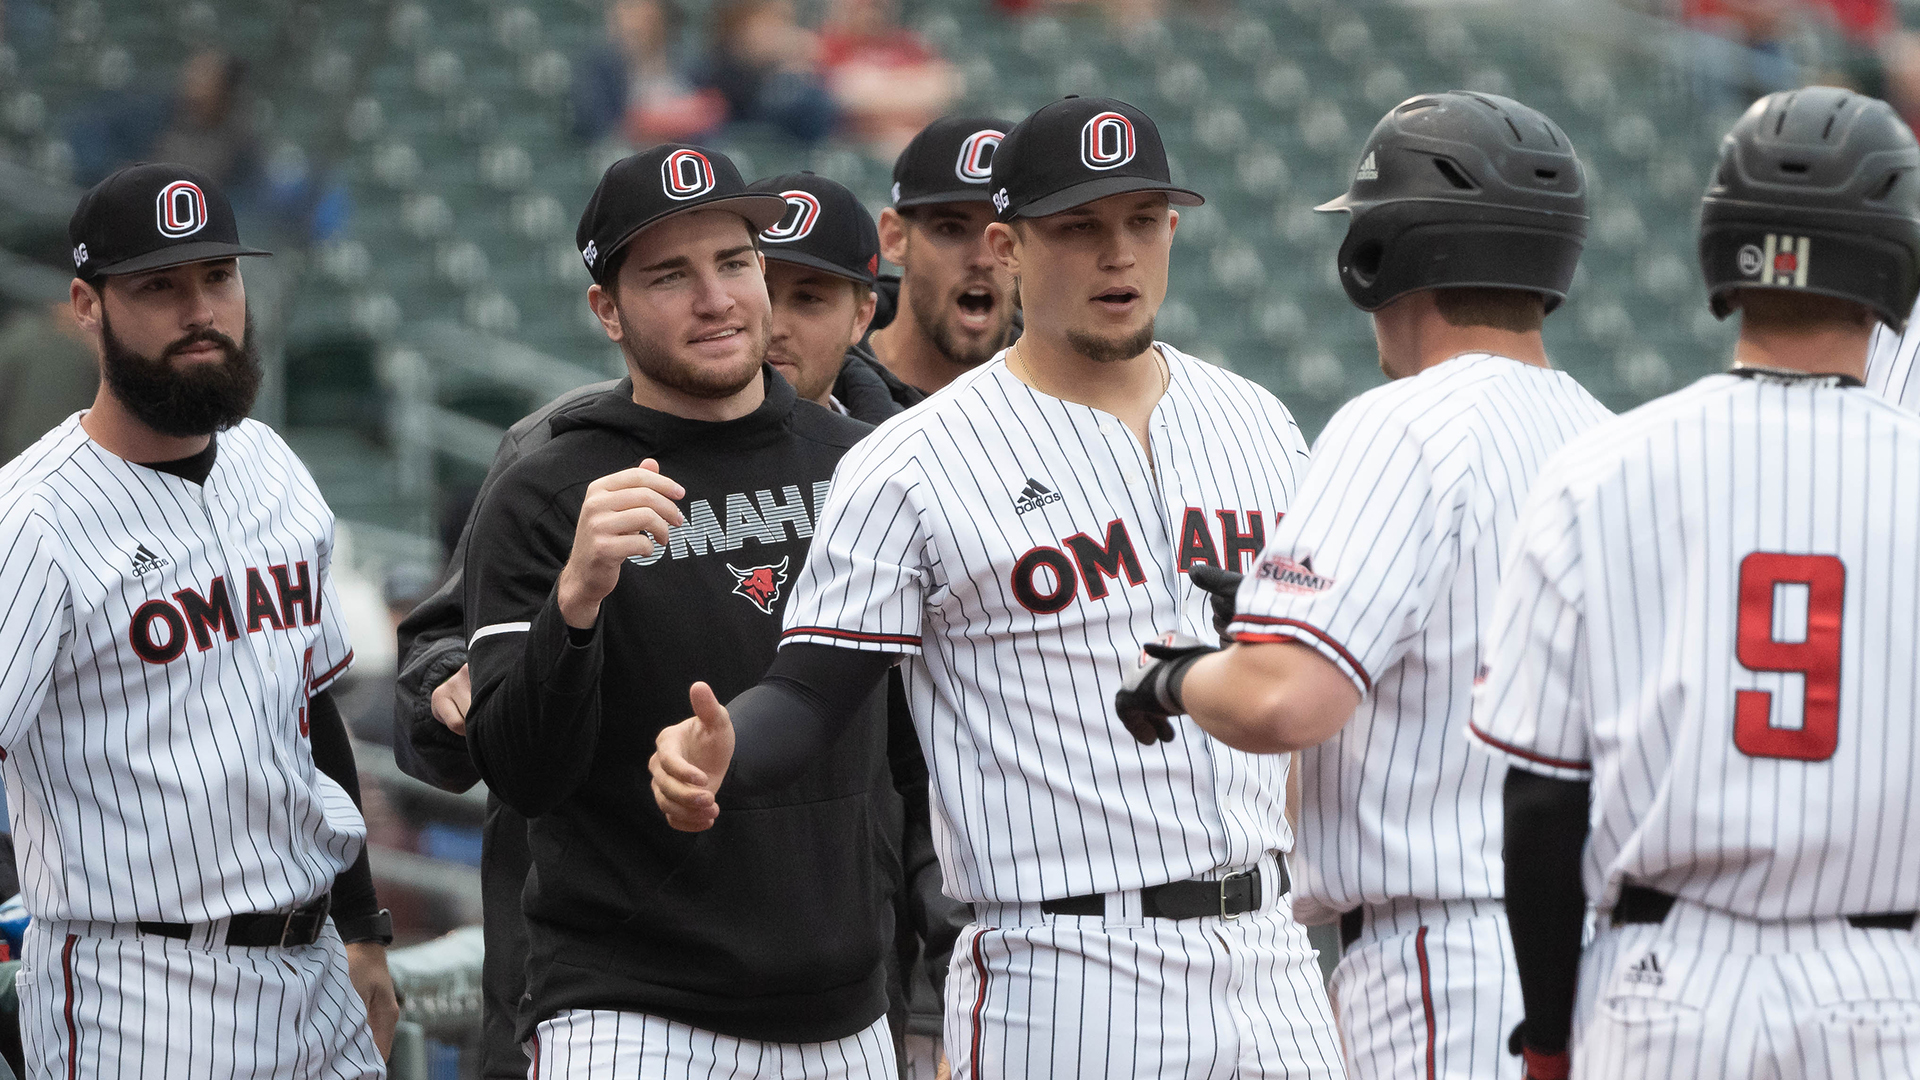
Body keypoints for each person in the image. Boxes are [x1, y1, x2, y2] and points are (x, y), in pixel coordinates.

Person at [652, 96, 1346, 1079]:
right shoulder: (913, 460)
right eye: (1078, 228)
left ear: (1174, 232)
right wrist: (723, 748)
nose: (1118, 254)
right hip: (1063, 967)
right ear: (1007, 246)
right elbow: (811, 697)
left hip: (1271, 952)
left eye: (1141, 223)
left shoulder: (1257, 423)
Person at [390, 162, 938, 1080]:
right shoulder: (548, 485)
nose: (716, 299)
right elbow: (523, 774)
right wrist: (573, 603)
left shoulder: (866, 466)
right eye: (669, 275)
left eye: (735, 261)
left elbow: (917, 751)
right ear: (607, 309)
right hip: (631, 1012)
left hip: (844, 1008)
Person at [1110, 92, 1612, 1080]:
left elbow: (1285, 700)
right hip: (1595, 960)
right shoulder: (1609, 436)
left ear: (1384, 253)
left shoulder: (1403, 423)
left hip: (1452, 963)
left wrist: (1181, 679)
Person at [1472, 86, 1920, 1079]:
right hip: (1885, 984)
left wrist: (1547, 1037)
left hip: (1666, 984)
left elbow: (1542, 805)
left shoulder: (1602, 468)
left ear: (1721, 248)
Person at [0, 163, 395, 1076]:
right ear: (87, 305)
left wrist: (364, 924)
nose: (200, 309)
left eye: (217, 276)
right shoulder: (32, 519)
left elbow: (313, 713)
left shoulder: (271, 464)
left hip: (318, 973)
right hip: (139, 985)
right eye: (158, 287)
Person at [867, 115, 1019, 394]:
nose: (983, 260)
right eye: (952, 229)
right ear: (895, 239)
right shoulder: (826, 385)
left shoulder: (1070, 395)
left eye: (1005, 237)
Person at [570, 0, 726, 146]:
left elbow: (714, 121)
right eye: (624, 9)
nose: (630, 20)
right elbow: (600, 129)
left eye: (638, 8)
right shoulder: (599, 69)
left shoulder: (693, 64)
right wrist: (650, 124)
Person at [817, 0, 959, 156]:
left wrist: (878, 88)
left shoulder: (906, 42)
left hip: (914, 134)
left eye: (878, 7)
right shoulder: (834, 45)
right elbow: (846, 99)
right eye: (865, 9)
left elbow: (942, 90)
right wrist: (907, 84)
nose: (872, 15)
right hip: (862, 142)